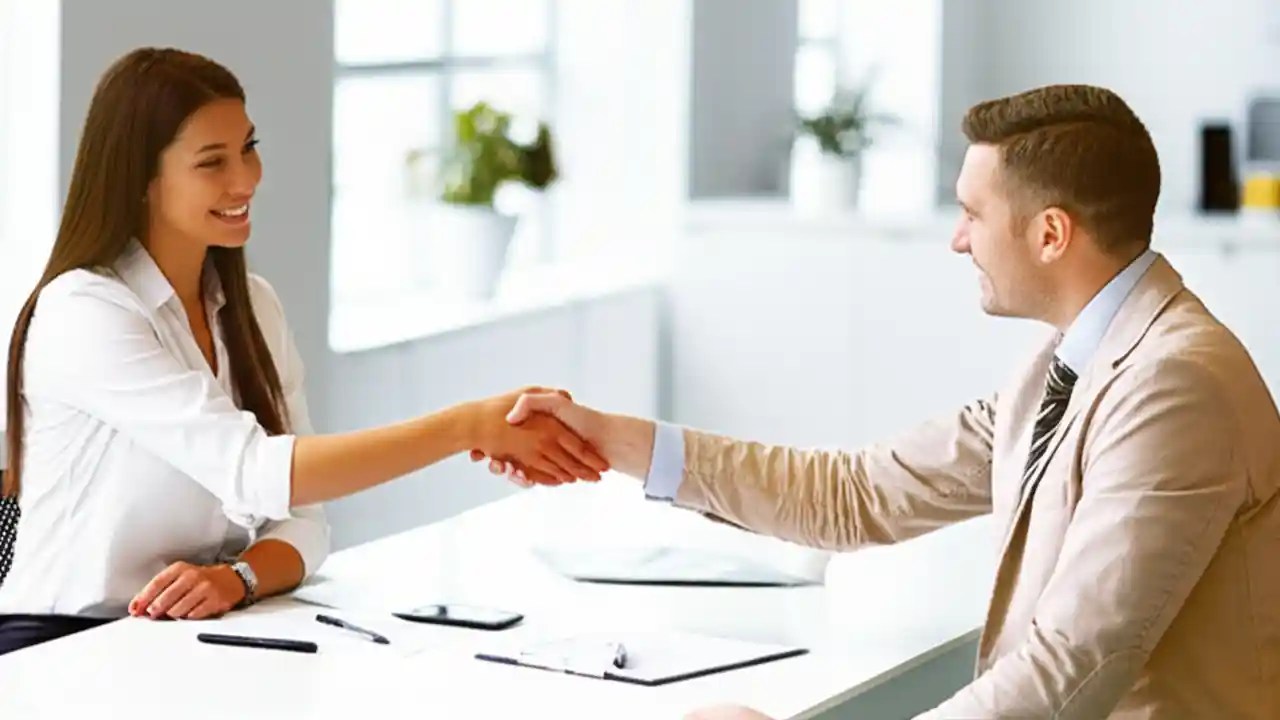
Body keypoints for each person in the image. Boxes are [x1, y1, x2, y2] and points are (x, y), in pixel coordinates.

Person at [475, 85, 1280, 718]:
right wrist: (613, 441)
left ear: (1051, 235)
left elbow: (1072, 671)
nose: (957, 239)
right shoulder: (1070, 361)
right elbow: (857, 492)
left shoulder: (1177, 386)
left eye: (972, 214)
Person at [0, 47, 607, 655]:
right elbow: (259, 472)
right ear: (139, 181)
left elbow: (305, 524)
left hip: (184, 639)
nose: (246, 179)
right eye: (212, 162)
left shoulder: (252, 305)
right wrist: (465, 427)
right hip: (61, 644)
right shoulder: (86, 311)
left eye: (248, 147)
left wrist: (237, 577)